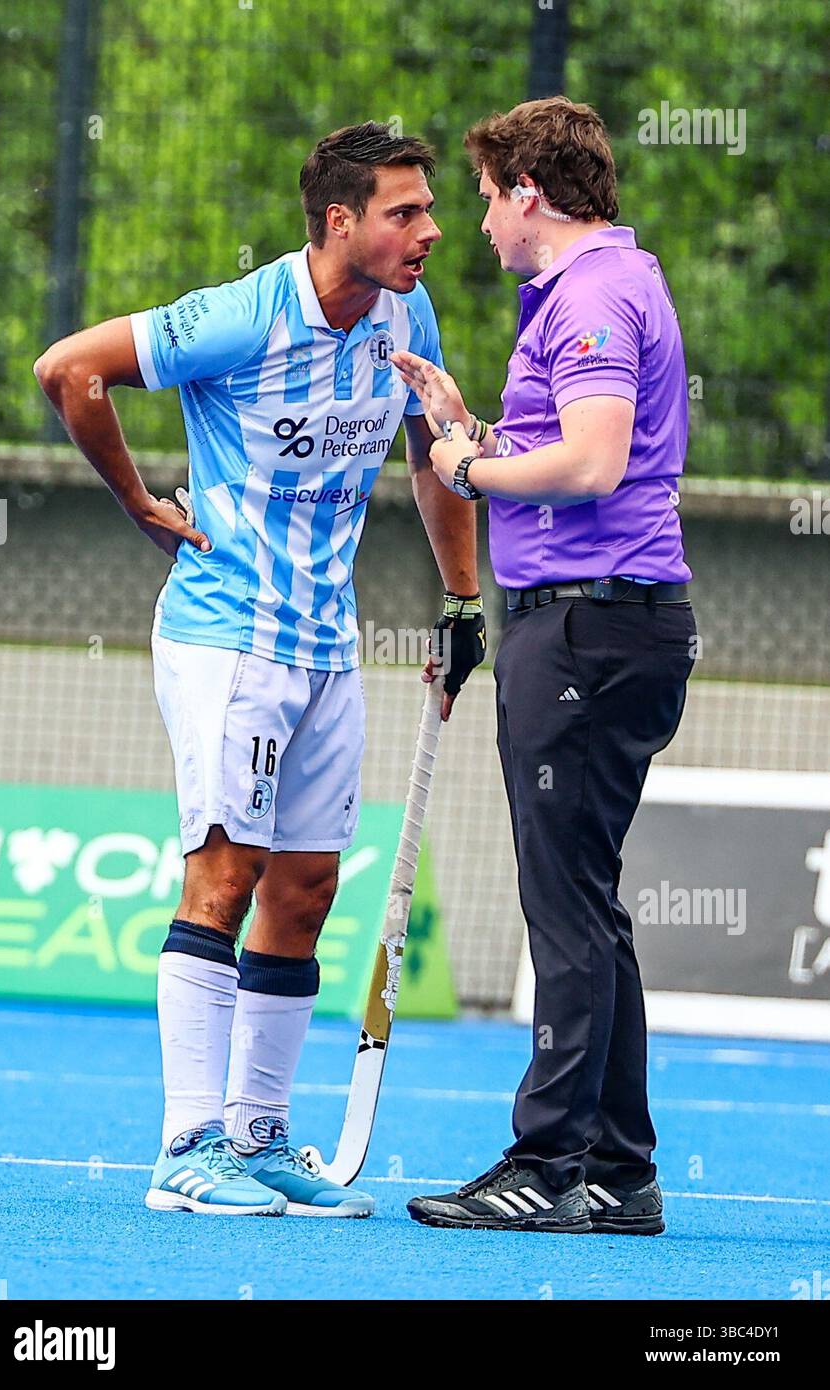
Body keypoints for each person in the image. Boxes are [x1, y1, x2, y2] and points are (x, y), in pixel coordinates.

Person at [34, 121, 484, 1218]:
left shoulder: (404, 313)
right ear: (339, 222)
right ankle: (184, 1149)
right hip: (228, 636)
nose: (428, 230)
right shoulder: (245, 312)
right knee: (225, 875)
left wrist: (463, 595)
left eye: (428, 208)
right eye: (404, 212)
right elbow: (70, 370)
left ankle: (260, 1133)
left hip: (329, 642)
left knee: (305, 887)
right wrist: (140, 502)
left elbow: (430, 453)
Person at [393, 97, 696, 1234]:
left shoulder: (595, 293)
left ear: (528, 190)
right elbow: (570, 447)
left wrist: (468, 467)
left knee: (564, 909)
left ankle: (548, 1163)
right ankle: (616, 1170)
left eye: (480, 196)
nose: (472, 221)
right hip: (602, 626)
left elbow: (595, 460)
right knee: (589, 906)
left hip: (585, 631)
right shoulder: (598, 289)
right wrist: (473, 428)